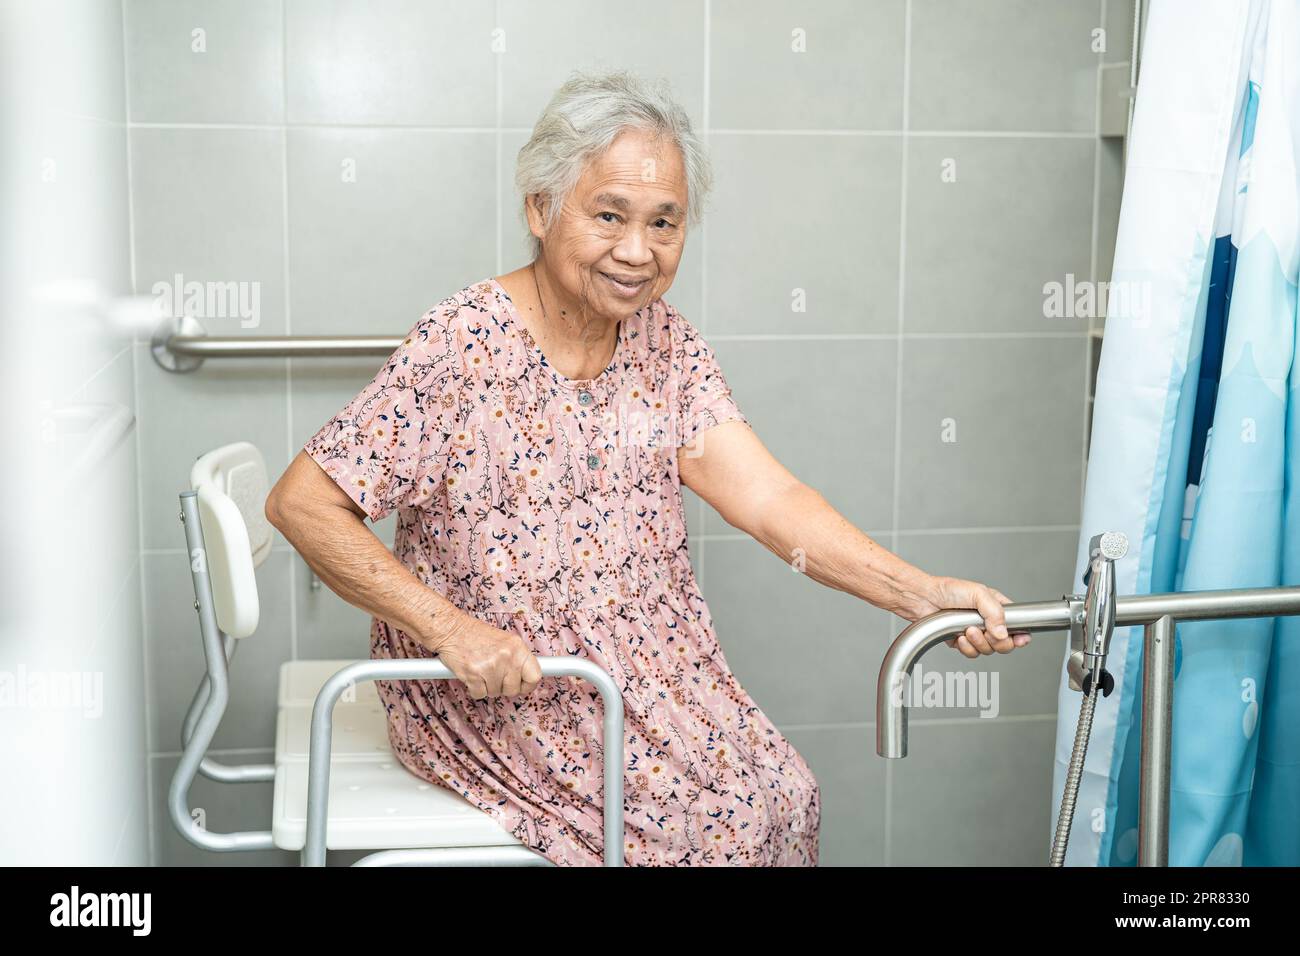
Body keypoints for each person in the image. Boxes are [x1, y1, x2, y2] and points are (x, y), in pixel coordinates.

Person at [265, 69, 1030, 867]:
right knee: (716, 835)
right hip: (507, 686)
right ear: (539, 209)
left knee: (787, 795)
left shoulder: (667, 344)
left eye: (665, 223)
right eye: (608, 216)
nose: (638, 252)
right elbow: (302, 504)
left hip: (653, 672)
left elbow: (769, 499)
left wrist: (922, 596)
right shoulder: (464, 344)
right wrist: (452, 632)